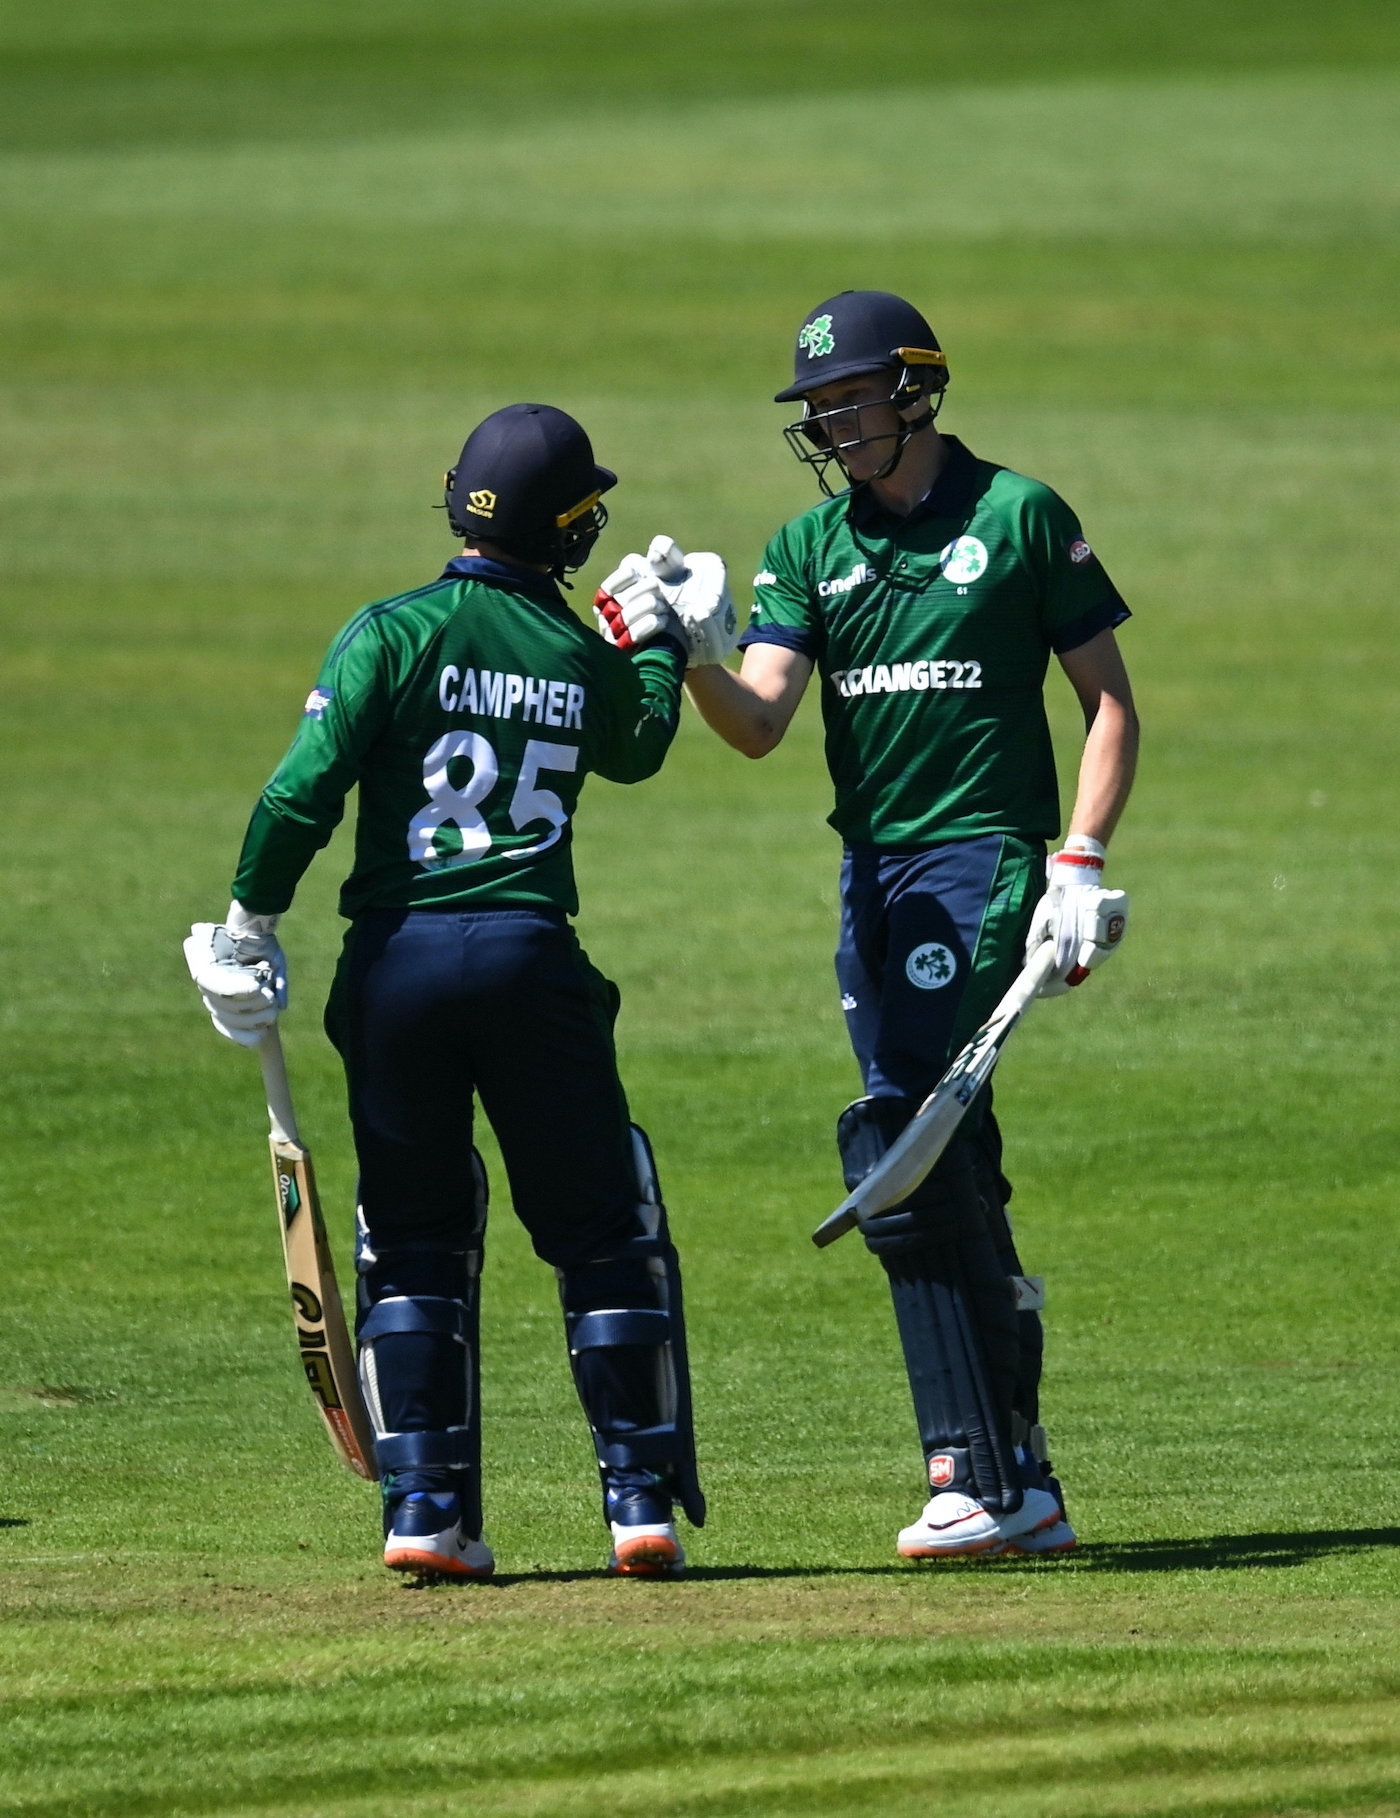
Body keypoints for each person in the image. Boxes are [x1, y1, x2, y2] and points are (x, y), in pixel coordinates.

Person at [598, 291, 1140, 1560]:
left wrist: (1076, 859)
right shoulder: (806, 546)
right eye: (816, 409)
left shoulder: (1018, 516)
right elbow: (759, 723)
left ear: (915, 389)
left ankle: (972, 1474)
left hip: (986, 863)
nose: (832, 424)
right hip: (874, 877)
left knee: (904, 1140)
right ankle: (1020, 1477)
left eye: (849, 399)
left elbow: (1107, 703)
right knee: (948, 1158)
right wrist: (682, 650)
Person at [184, 403, 718, 1581]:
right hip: (529, 961)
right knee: (599, 1230)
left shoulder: (389, 631)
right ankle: (639, 1507)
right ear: (570, 531)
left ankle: (425, 1514)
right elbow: (634, 746)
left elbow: (301, 793)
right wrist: (665, 643)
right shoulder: (577, 650)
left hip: (398, 970)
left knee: (414, 1239)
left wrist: (244, 923)